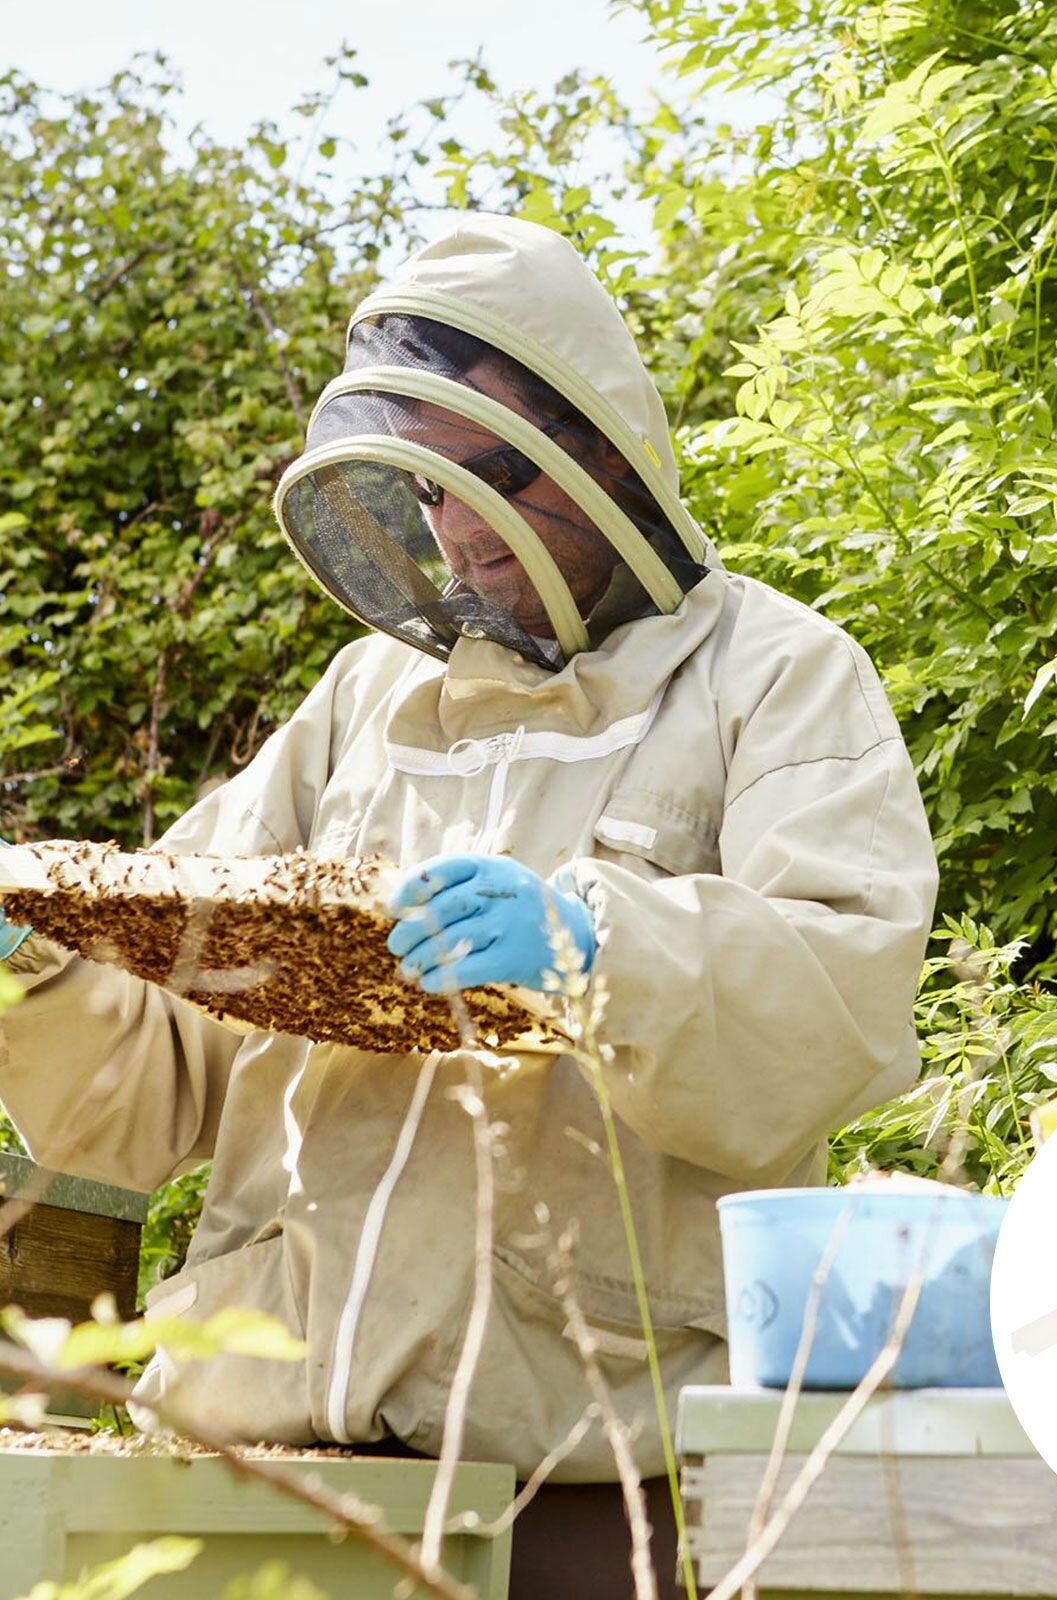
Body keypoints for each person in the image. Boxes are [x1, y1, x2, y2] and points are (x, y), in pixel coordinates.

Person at [0, 213, 938, 1597]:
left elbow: (845, 1002)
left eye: (496, 475)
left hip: (586, 1464)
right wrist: (43, 972)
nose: (460, 527)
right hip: (267, 1450)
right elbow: (152, 1084)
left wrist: (604, 950)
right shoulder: (364, 702)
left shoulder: (778, 675)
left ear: (607, 452)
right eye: (431, 487)